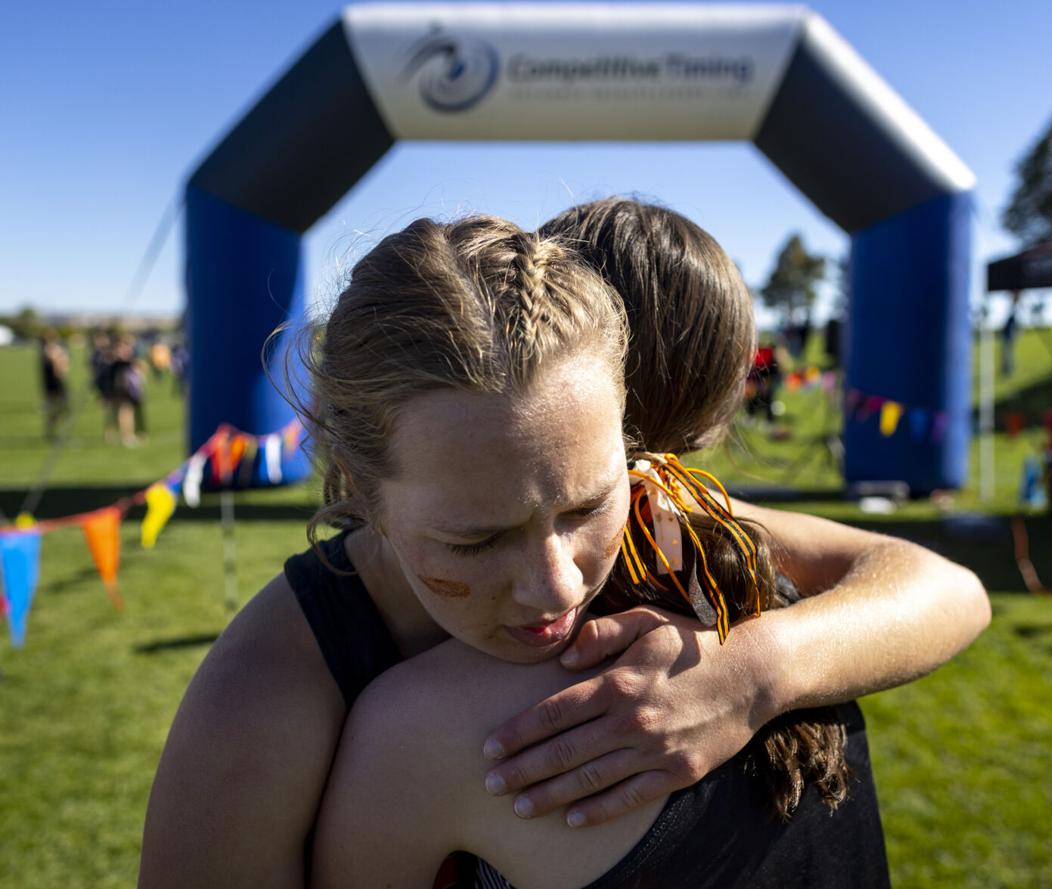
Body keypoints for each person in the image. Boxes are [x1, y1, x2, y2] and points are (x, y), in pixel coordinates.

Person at [139, 207, 989, 888]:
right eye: (474, 539)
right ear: (360, 490)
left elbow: (942, 586)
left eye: (587, 503)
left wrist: (757, 670)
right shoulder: (257, 703)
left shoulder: (656, 509)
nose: (554, 587)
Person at [38, 329, 70, 442]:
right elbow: (59, 367)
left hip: (57, 383)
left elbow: (65, 366)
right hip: (54, 383)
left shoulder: (53, 350)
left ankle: (52, 429)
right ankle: (52, 430)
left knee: (63, 407)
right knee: (59, 407)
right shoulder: (49, 350)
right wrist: (62, 360)